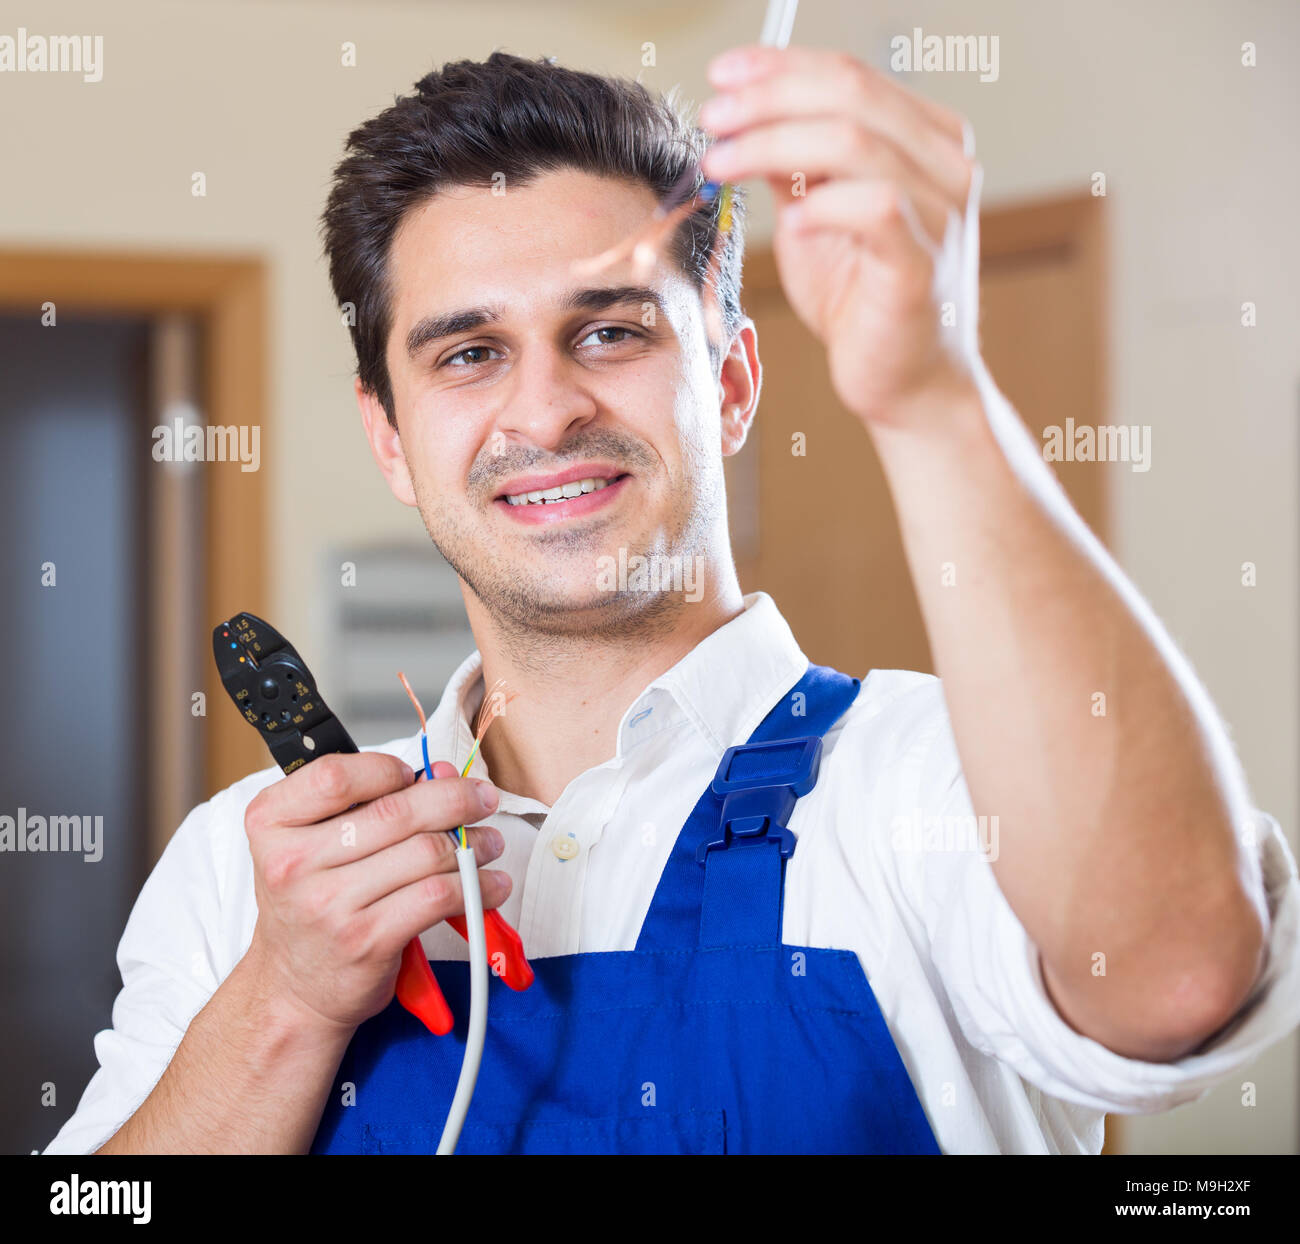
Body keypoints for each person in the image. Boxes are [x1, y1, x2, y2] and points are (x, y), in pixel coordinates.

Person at [45, 45, 1300, 1156]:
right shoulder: (248, 869)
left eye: (610, 332)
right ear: (389, 436)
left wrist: (931, 388)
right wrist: (285, 995)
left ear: (733, 381)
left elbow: (1180, 971)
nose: (542, 412)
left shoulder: (934, 789)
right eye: (469, 353)